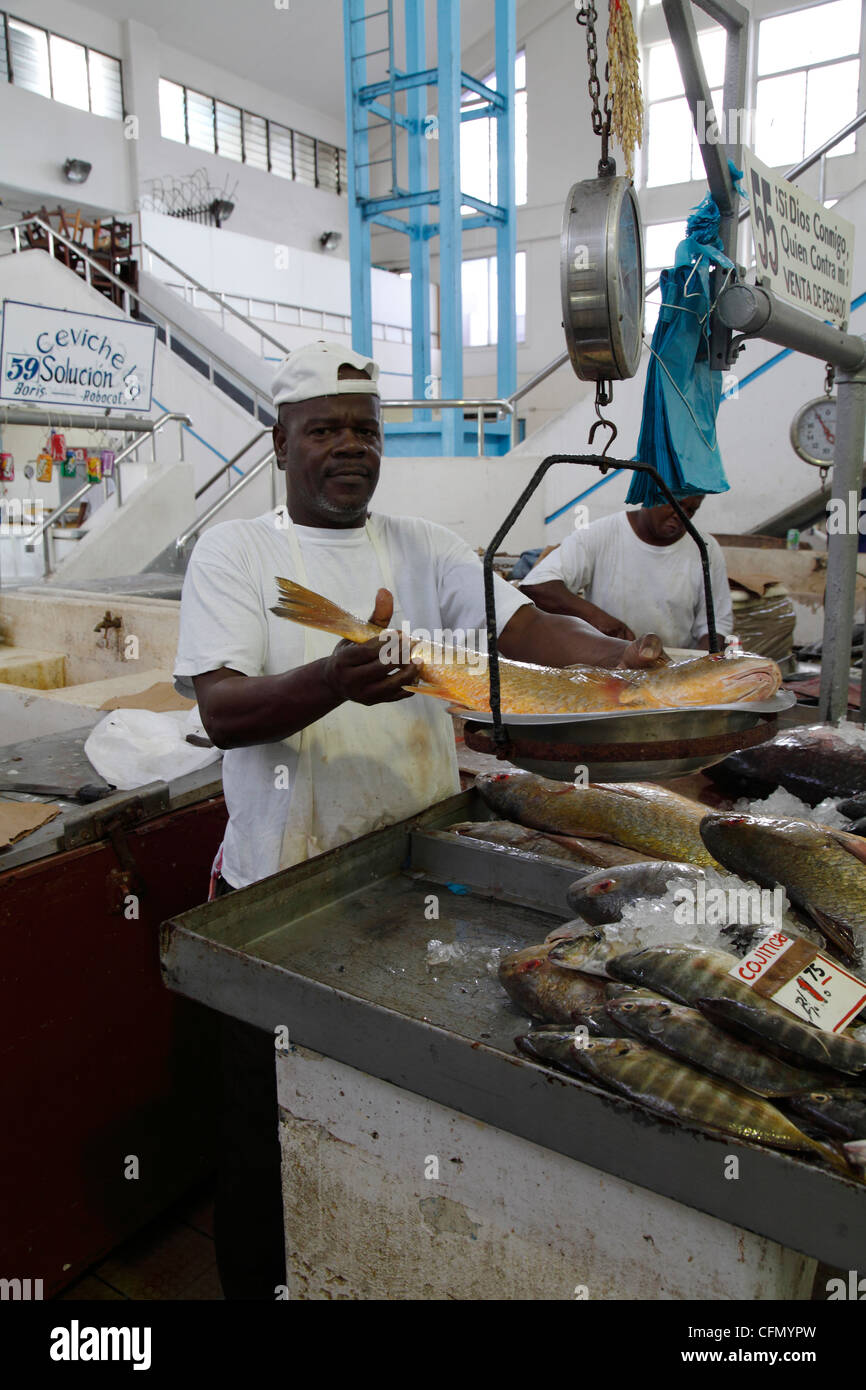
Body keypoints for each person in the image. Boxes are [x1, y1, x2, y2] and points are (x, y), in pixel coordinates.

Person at [173, 341, 667, 1299]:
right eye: (324, 428)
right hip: (278, 893)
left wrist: (614, 659)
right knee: (261, 1131)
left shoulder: (427, 545)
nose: (348, 446)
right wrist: (330, 681)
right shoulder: (236, 553)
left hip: (410, 878)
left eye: (364, 428)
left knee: (383, 1112)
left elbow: (527, 630)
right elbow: (222, 712)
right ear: (281, 441)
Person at [519, 494, 734, 650]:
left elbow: (715, 623)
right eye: (675, 503)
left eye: (690, 510)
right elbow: (537, 585)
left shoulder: (705, 548)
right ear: (649, 494)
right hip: (607, 665)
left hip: (674, 667)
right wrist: (596, 617)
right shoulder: (599, 534)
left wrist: (700, 667)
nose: (682, 515)